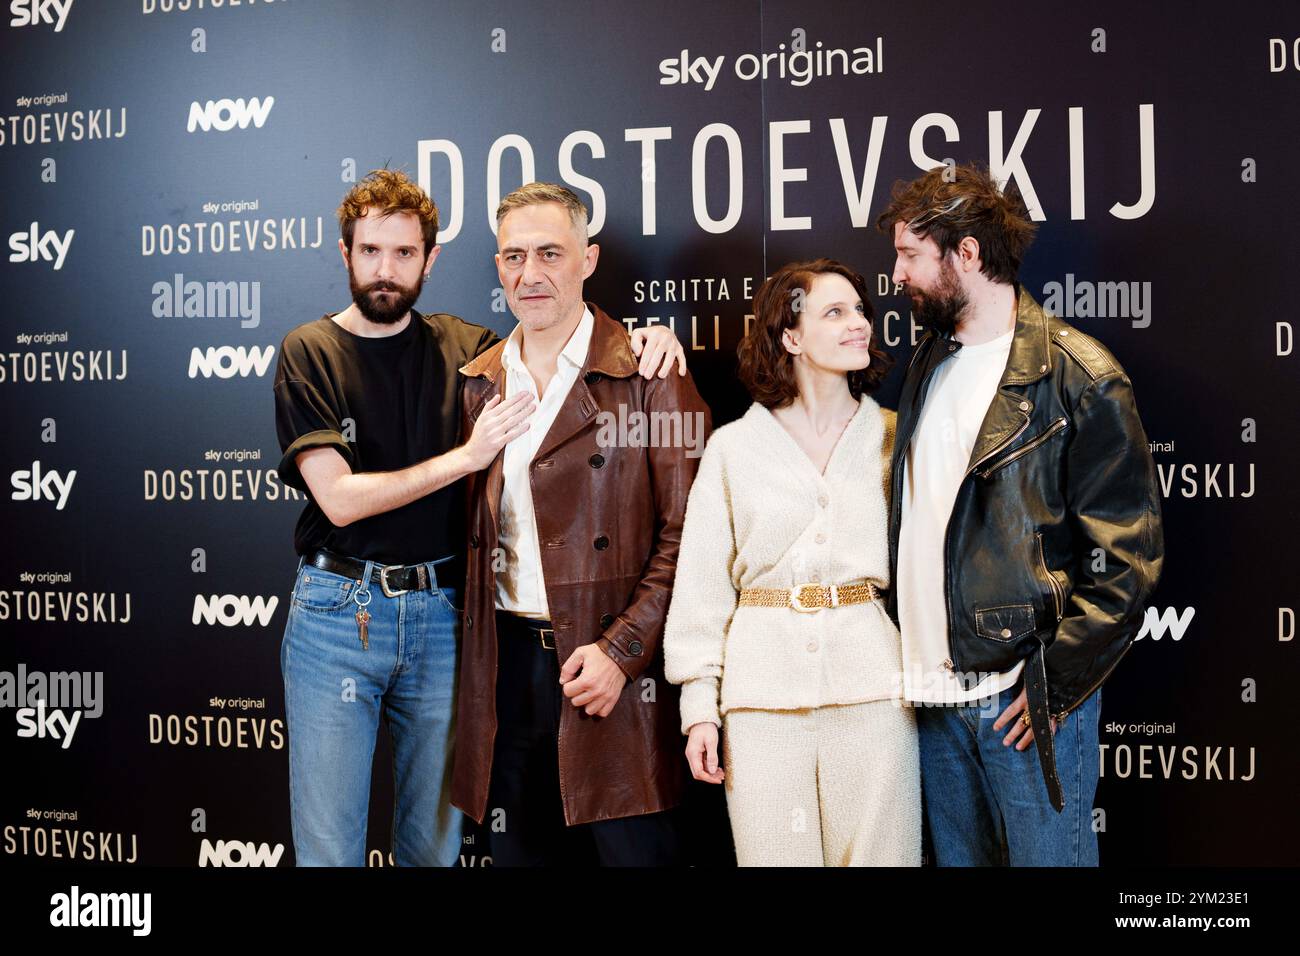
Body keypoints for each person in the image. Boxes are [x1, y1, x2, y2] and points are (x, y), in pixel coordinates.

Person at [273, 170, 686, 867]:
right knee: (328, 850)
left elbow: (559, 330)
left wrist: (647, 342)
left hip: (443, 618)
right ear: (344, 254)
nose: (385, 269)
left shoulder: (473, 352)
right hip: (346, 616)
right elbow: (337, 498)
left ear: (430, 261)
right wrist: (468, 457)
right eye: (370, 250)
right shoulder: (320, 352)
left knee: (432, 848)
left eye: (403, 253)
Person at [876, 162, 1164, 866]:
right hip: (932, 705)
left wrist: (1052, 686)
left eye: (911, 255)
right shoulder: (928, 360)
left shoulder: (1080, 375)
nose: (896, 275)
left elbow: (1126, 562)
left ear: (966, 255)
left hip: (1023, 708)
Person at [450, 183, 711, 866]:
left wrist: (622, 652)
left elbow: (693, 535)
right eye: (512, 257)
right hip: (504, 677)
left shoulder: (649, 374)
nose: (529, 275)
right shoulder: (478, 382)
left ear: (588, 259)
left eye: (549, 254)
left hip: (611, 678)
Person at [663, 258, 921, 867]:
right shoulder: (733, 448)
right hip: (761, 706)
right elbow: (701, 591)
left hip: (874, 695)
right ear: (791, 336)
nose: (858, 324)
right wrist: (699, 708)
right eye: (835, 312)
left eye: (860, 310)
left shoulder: (894, 438)